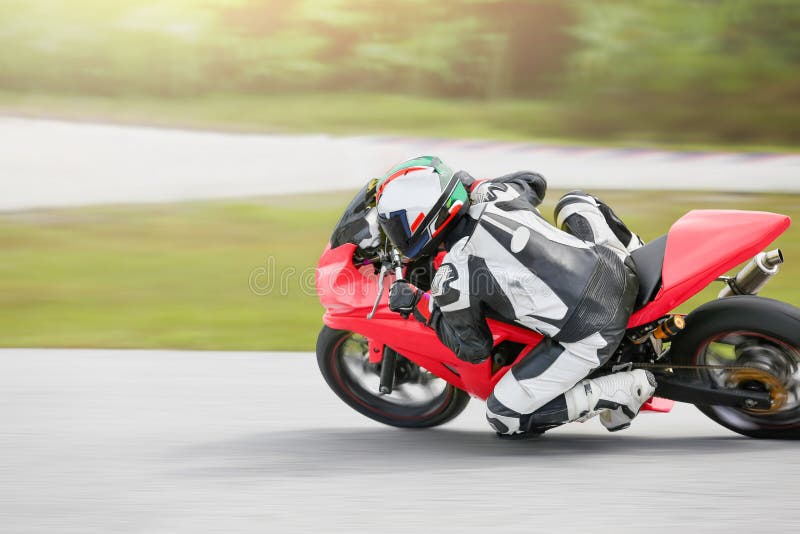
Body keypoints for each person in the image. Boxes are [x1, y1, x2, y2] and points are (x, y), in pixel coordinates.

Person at [374, 155, 656, 438]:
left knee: (503, 417)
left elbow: (474, 349)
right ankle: (648, 284)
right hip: (618, 266)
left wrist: (418, 306)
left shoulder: (453, 275)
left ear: (423, 222)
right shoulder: (496, 194)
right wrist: (474, 185)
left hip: (593, 329)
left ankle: (619, 391)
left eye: (397, 228)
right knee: (575, 201)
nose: (395, 234)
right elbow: (535, 182)